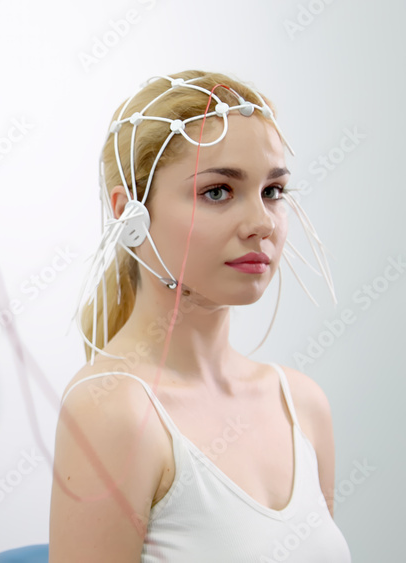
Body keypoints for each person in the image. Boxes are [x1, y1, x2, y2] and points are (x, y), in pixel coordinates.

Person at [47, 70, 352, 561]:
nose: (261, 225)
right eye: (217, 192)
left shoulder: (302, 403)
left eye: (273, 192)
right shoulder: (113, 410)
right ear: (130, 214)